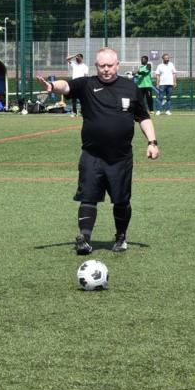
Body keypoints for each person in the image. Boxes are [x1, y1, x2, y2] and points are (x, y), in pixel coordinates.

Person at [38, 47, 160, 254]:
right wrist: (51, 85)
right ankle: (84, 238)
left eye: (109, 66)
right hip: (92, 155)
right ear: (96, 66)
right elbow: (66, 86)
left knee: (121, 200)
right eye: (101, 66)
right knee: (88, 196)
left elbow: (143, 117)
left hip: (120, 157)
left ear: (117, 65)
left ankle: (121, 237)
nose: (105, 70)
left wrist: (152, 142)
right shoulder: (87, 84)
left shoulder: (130, 87)